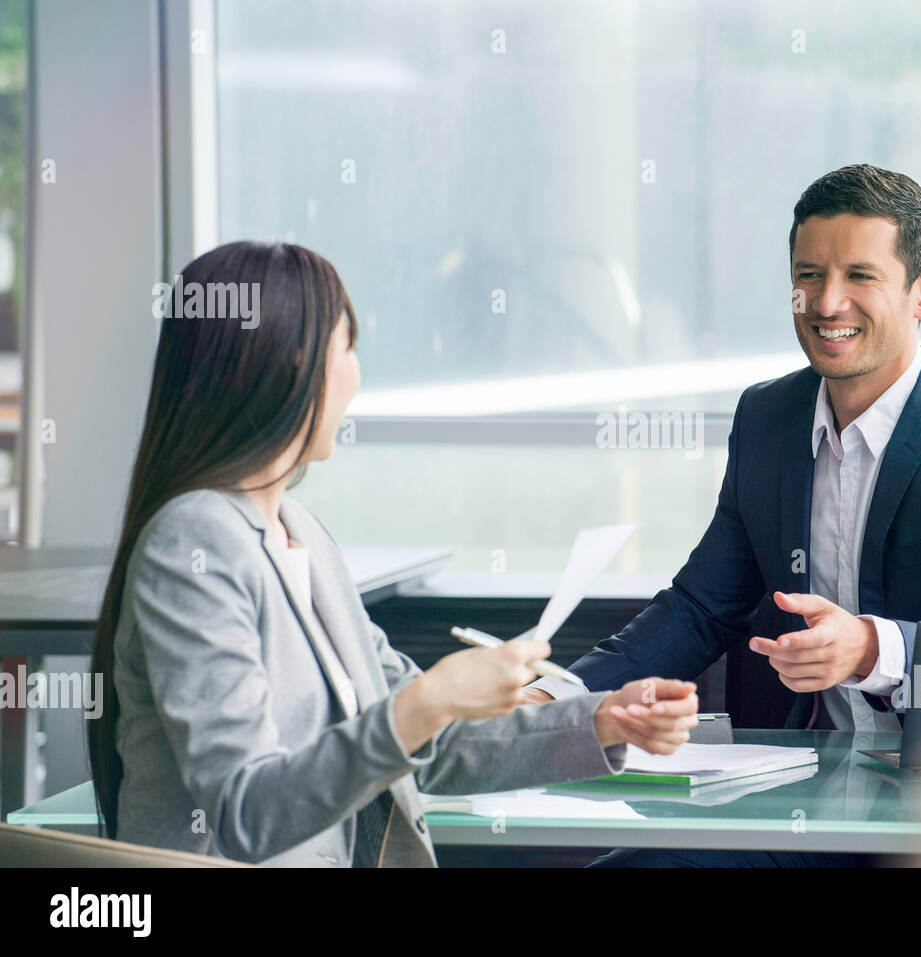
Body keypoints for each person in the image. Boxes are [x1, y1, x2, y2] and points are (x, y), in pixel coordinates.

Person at [87, 241, 698, 867]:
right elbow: (248, 811)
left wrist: (602, 720)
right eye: (347, 345)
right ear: (294, 362)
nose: (357, 374)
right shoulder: (195, 540)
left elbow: (432, 744)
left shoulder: (303, 536)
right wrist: (427, 703)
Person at [524, 163, 921, 866]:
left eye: (860, 277)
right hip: (795, 797)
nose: (826, 302)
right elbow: (698, 609)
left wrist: (871, 647)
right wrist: (558, 697)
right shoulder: (767, 418)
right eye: (808, 274)